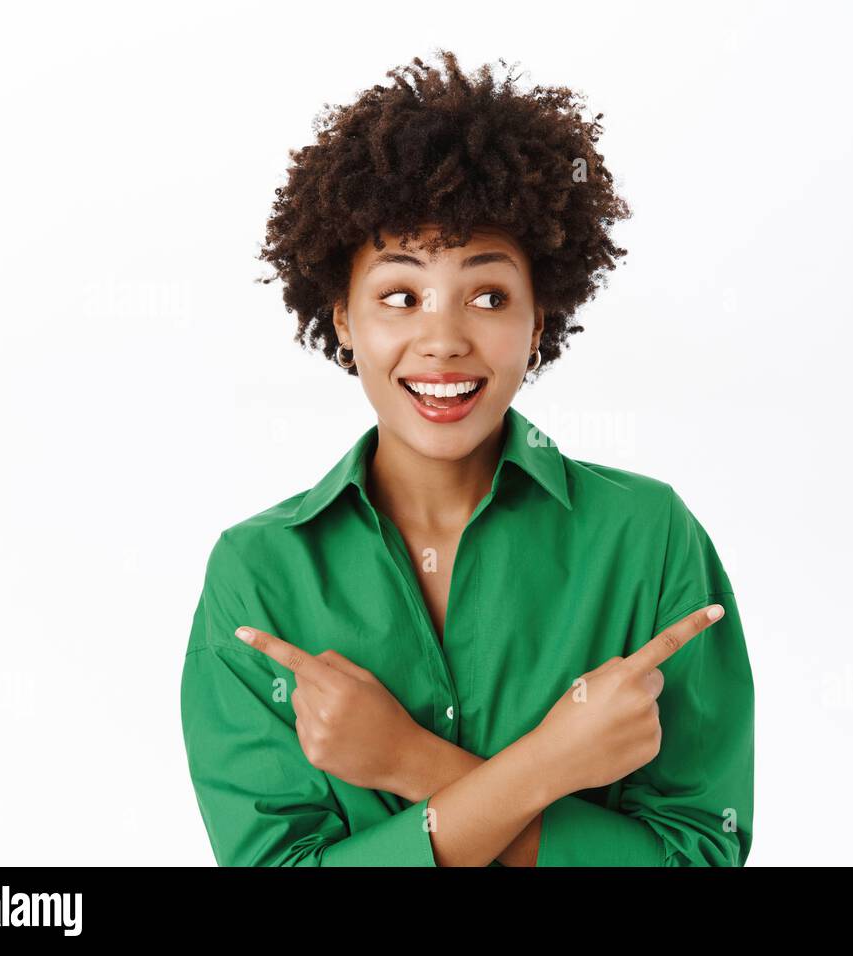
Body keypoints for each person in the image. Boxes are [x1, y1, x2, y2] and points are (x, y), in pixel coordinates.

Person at [179, 49, 754, 867]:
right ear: (342, 317)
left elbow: (701, 857)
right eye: (399, 296)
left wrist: (403, 762)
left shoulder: (648, 539)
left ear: (539, 317)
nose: (443, 340)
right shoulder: (260, 575)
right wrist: (550, 766)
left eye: (488, 296)